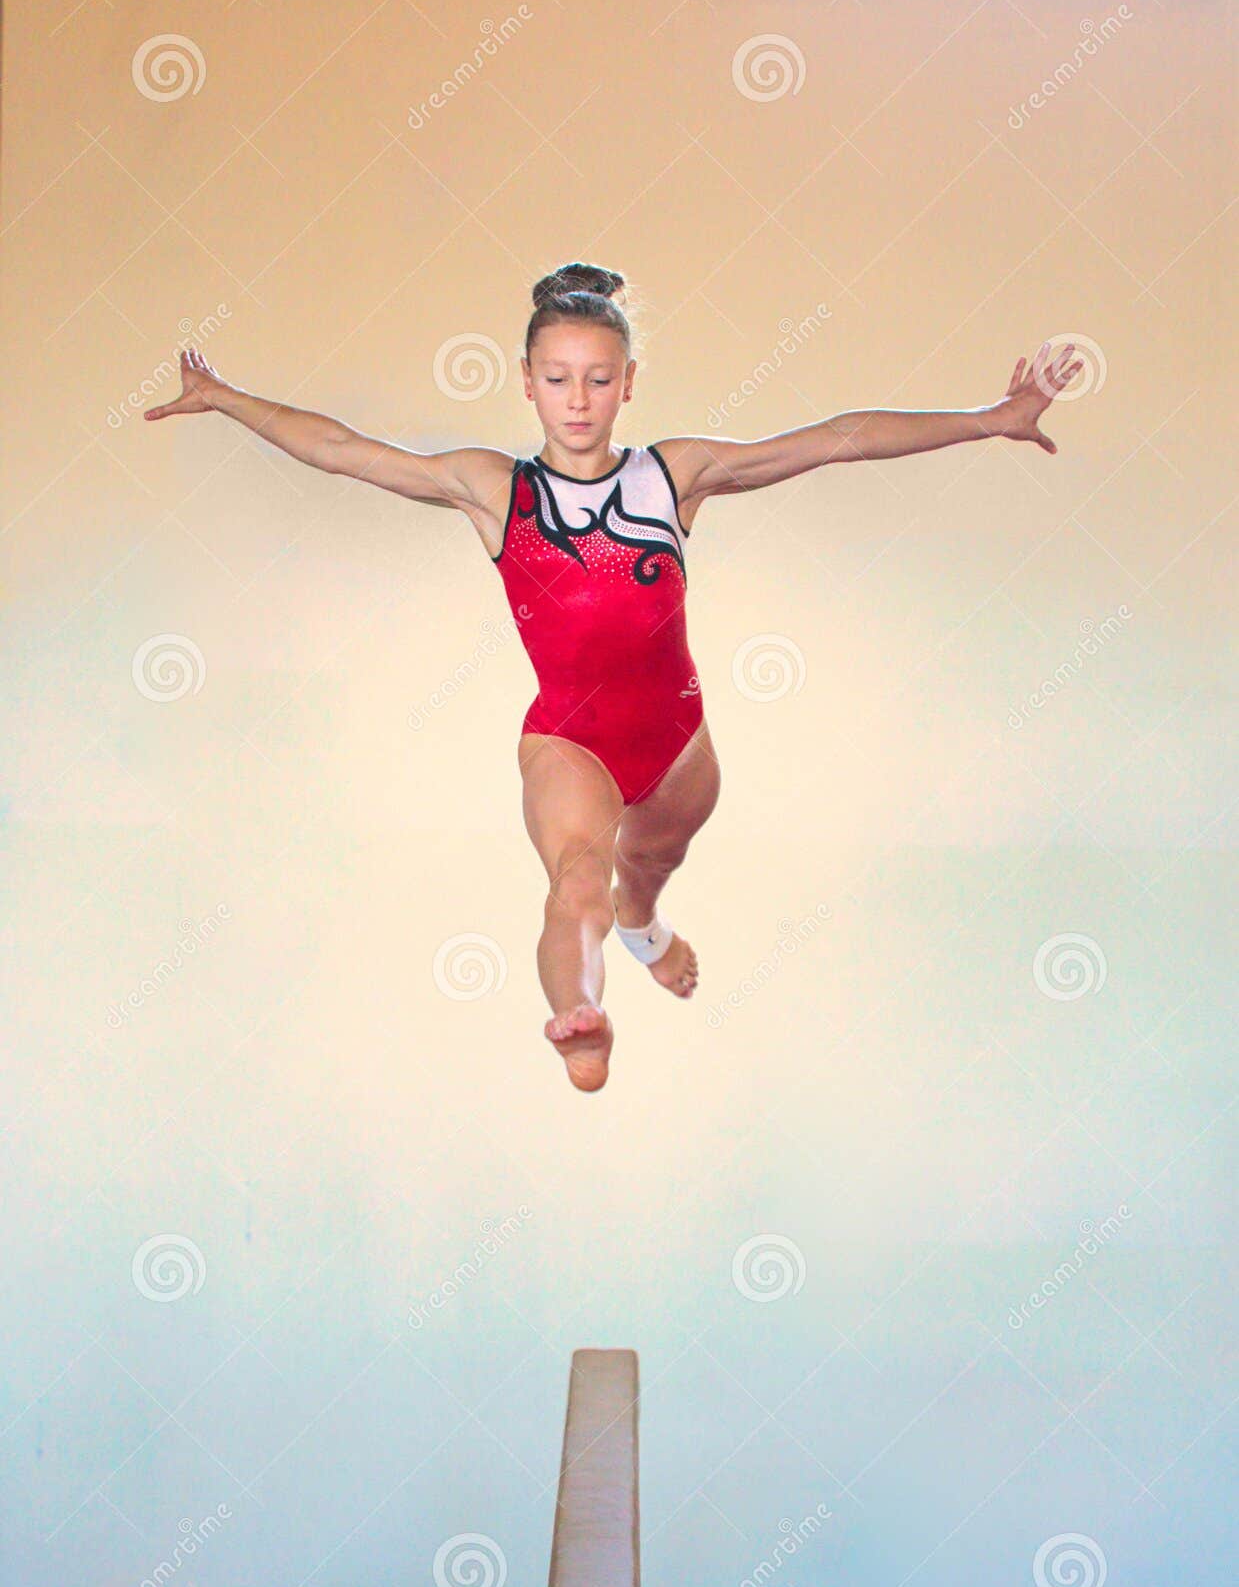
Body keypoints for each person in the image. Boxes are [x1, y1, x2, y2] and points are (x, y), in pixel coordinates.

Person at [145, 262, 1082, 1092]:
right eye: (557, 380)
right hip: (568, 738)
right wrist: (226, 398)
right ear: (526, 383)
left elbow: (834, 439)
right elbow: (344, 451)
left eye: (598, 379)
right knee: (577, 877)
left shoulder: (672, 476)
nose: (578, 400)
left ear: (627, 384)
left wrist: (989, 421)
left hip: (676, 743)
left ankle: (643, 922)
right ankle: (578, 1019)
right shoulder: (495, 489)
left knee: (645, 867)